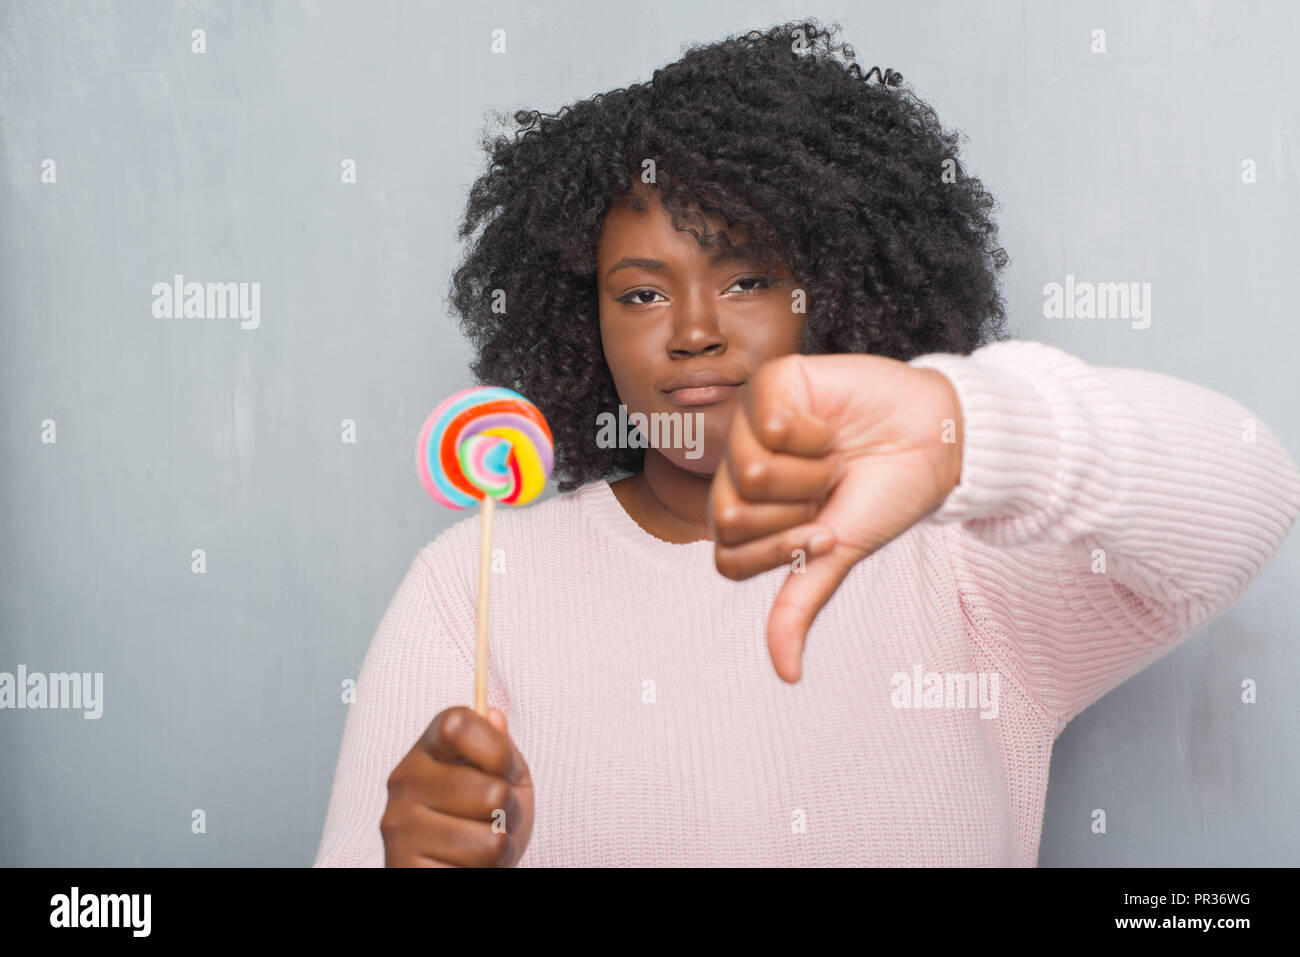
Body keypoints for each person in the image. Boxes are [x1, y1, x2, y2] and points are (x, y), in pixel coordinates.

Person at [313, 20, 1300, 867]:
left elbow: (1251, 489)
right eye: (641, 293)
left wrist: (967, 429)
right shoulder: (474, 584)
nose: (692, 330)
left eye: (745, 280)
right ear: (584, 322)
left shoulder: (961, 558)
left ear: (831, 289)